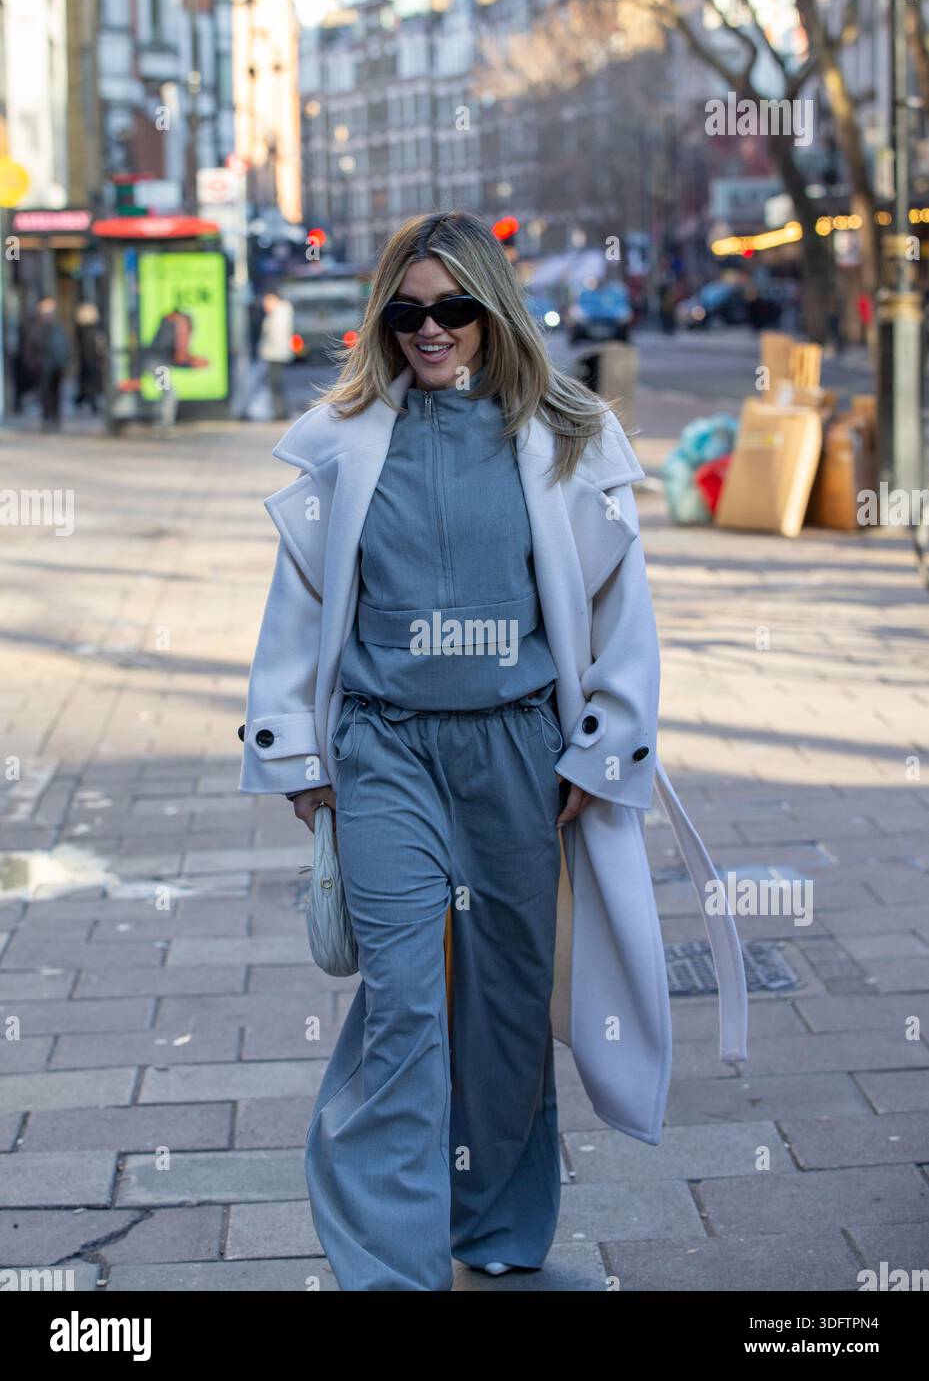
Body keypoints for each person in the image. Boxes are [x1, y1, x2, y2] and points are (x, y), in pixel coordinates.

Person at [237, 210, 747, 1291]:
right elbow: (300, 605)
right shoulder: (342, 437)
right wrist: (297, 753)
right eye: (408, 310)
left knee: (509, 1001)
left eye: (453, 309)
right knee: (406, 1001)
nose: (431, 330)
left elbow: (620, 613)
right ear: (384, 318)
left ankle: (496, 1226)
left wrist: (596, 749)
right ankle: (390, 1260)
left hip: (520, 753)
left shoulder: (565, 432)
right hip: (382, 749)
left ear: (491, 313)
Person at [24, 297, 70, 430]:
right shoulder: (36, 330)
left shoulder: (58, 328)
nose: (49, 316)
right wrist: (34, 364)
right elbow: (30, 350)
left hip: (57, 366)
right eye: (46, 313)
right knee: (45, 394)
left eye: (51, 313)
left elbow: (65, 346)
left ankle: (55, 418)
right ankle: (47, 418)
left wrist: (65, 362)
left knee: (56, 393)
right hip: (42, 367)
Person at [256, 289, 296, 418]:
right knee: (275, 384)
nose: (265, 304)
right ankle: (280, 411)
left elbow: (276, 336)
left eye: (267, 300)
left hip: (276, 354)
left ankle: (280, 412)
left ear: (274, 299)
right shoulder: (279, 312)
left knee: (275, 384)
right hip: (275, 353)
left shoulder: (279, 314)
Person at [74, 302, 105, 414]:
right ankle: (90, 404)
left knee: (86, 386)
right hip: (91, 362)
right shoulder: (88, 331)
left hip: (86, 363)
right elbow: (89, 349)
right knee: (90, 386)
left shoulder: (81, 330)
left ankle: (82, 402)